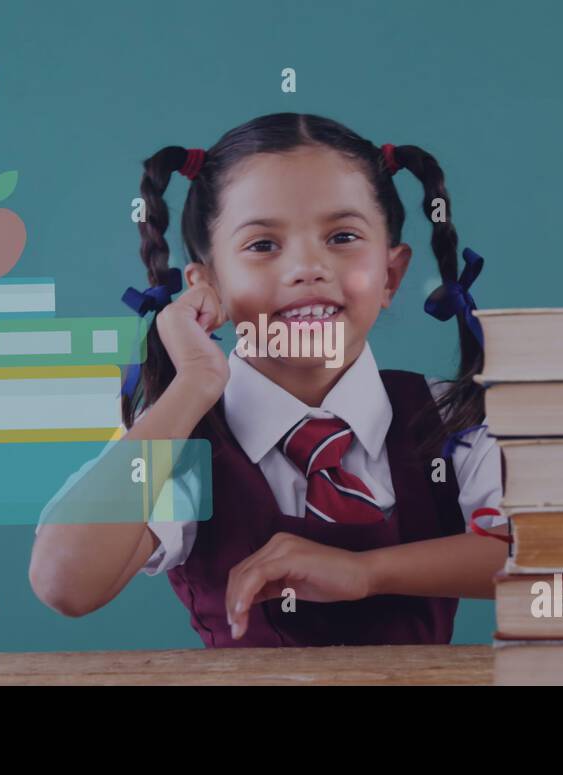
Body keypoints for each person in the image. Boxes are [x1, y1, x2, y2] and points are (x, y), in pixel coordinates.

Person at [30, 112, 508, 647]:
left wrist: (368, 571)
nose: (307, 267)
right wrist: (190, 385)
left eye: (343, 236)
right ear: (207, 283)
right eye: (262, 245)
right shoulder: (182, 442)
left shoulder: (453, 419)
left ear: (391, 275)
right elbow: (64, 584)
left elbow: (557, 562)